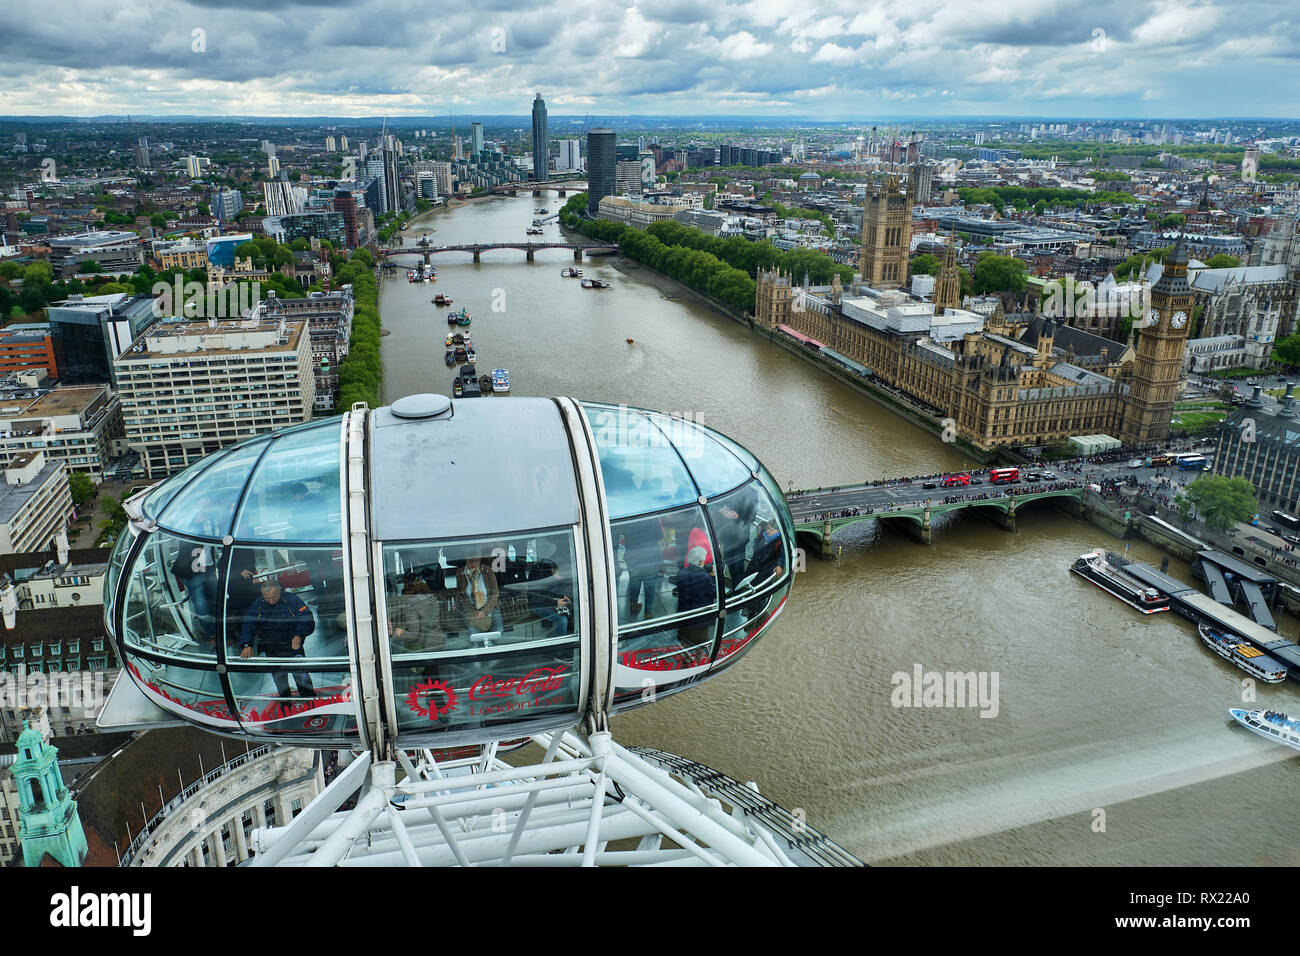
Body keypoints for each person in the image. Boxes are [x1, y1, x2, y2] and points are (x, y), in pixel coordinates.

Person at [239, 579, 317, 700]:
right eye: (267, 598)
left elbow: (307, 618)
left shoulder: (292, 600)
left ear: (279, 591)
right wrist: (246, 644)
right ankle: (285, 700)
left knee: (301, 675)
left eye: (274, 597)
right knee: (279, 677)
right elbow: (248, 624)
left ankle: (310, 698)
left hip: (292, 645)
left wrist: (299, 635)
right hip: (271, 646)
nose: (270, 601)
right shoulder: (258, 604)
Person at [456, 556, 503, 635]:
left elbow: (495, 593)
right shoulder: (460, 573)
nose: (474, 564)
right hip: (471, 609)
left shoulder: (487, 570)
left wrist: (485, 611)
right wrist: (457, 605)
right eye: (471, 561)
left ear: (480, 560)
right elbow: (460, 593)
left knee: (498, 631)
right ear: (466, 559)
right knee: (475, 635)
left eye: (477, 561)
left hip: (491, 606)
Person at [528, 559, 573, 635]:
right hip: (537, 606)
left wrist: (563, 597)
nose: (560, 577)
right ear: (553, 570)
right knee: (562, 620)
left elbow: (551, 593)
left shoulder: (549, 578)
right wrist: (556, 602)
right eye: (558, 573)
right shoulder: (541, 580)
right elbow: (538, 599)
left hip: (547, 603)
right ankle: (561, 641)